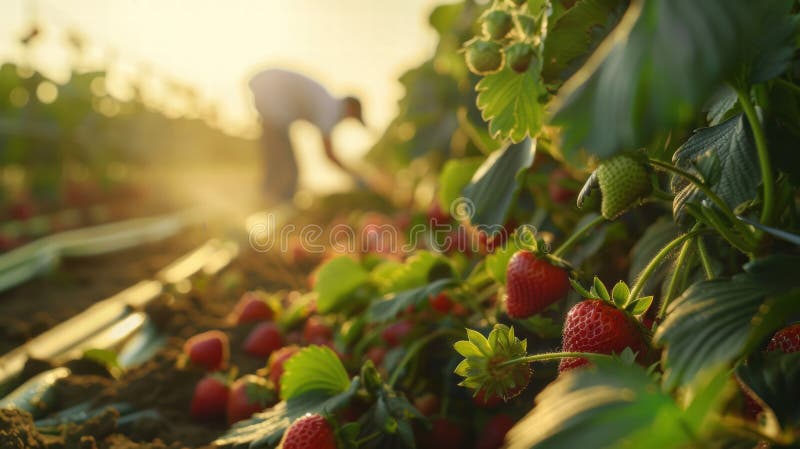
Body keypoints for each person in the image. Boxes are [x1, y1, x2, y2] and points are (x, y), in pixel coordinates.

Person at [248, 68, 364, 203]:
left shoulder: (327, 102)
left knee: (279, 164)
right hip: (271, 94)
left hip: (266, 89)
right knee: (288, 171)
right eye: (352, 117)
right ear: (351, 108)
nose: (348, 120)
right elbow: (329, 154)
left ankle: (266, 202)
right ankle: (273, 207)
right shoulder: (331, 109)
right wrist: (356, 176)